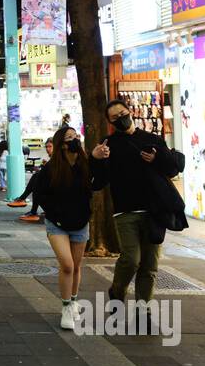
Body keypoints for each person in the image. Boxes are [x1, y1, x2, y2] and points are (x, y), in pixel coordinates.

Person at [90, 98, 181, 306]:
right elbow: (99, 182)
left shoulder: (152, 139)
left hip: (155, 211)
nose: (120, 119)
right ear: (109, 122)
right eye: (114, 118)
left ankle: (144, 309)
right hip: (125, 211)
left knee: (150, 265)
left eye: (122, 114)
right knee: (131, 259)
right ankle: (117, 291)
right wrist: (96, 159)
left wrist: (157, 159)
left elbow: (172, 169)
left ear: (129, 112)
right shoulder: (108, 145)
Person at [36, 126, 101, 329]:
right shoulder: (51, 168)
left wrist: (98, 159)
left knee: (76, 265)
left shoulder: (85, 164)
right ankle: (66, 308)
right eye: (69, 138)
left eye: (76, 137)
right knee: (67, 265)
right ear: (62, 145)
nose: (74, 140)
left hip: (80, 223)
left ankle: (73, 300)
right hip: (57, 224)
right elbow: (40, 194)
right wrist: (55, 215)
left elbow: (98, 183)